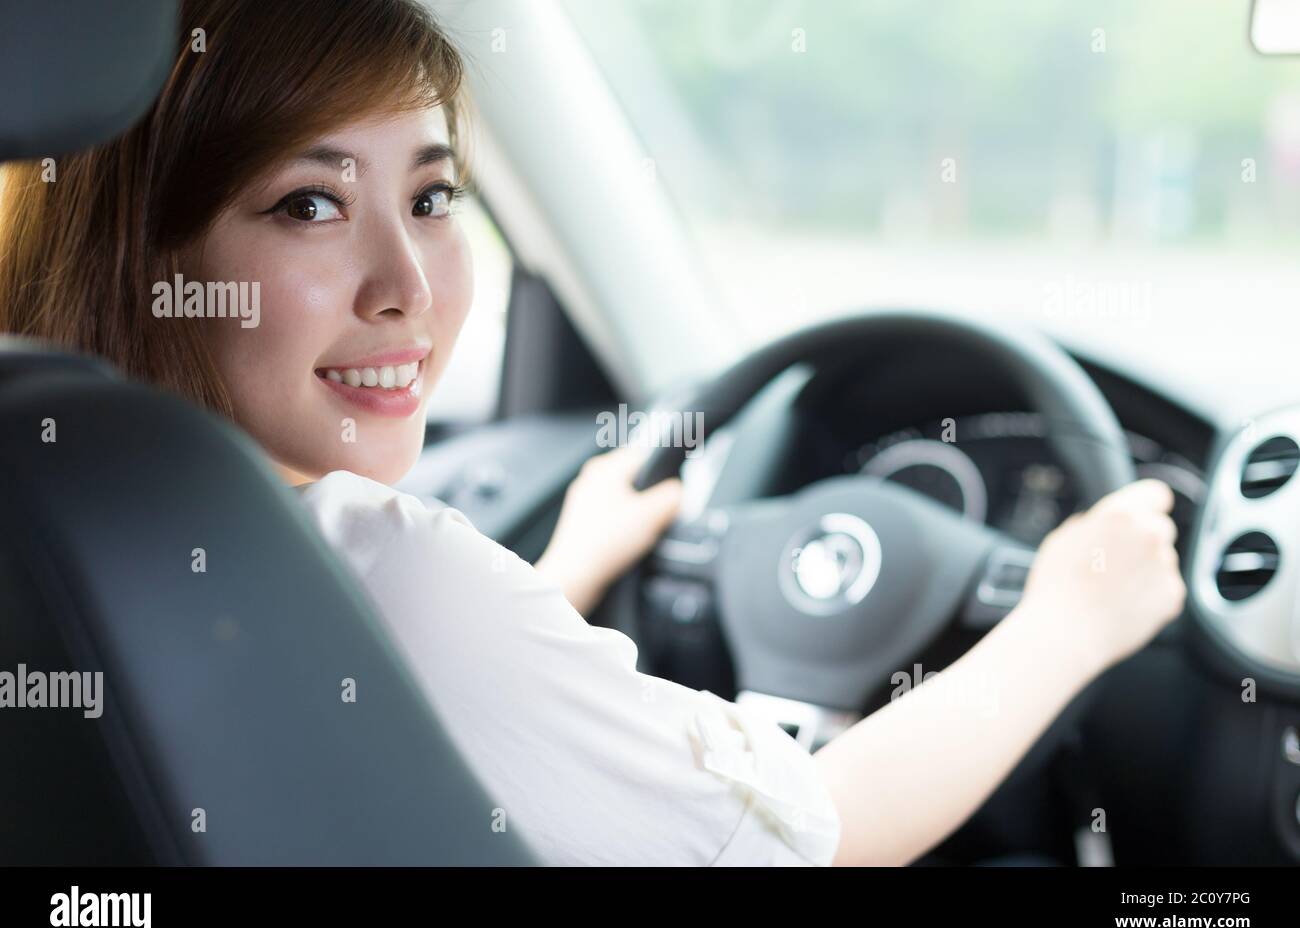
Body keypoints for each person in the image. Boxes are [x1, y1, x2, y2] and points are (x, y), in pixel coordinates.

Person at [0, 0, 1185, 866]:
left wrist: (551, 579)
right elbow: (805, 842)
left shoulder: (61, 503)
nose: (406, 283)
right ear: (145, 258)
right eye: (309, 204)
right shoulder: (390, 565)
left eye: (431, 197)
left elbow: (380, 693)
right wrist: (1072, 617)